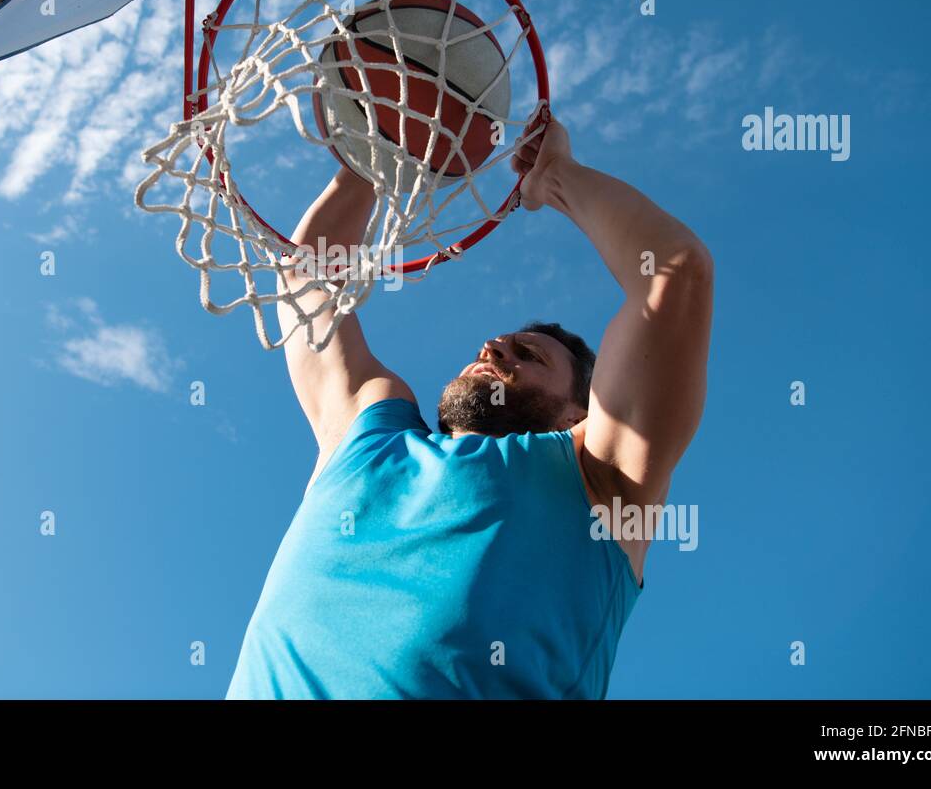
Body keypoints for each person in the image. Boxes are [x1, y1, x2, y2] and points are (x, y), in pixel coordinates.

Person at [226, 114, 714, 698]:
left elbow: (673, 275)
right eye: (499, 342)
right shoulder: (369, 434)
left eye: (527, 353)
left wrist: (555, 175)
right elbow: (304, 277)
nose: (494, 346)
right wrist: (375, 162)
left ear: (576, 414)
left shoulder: (600, 480)